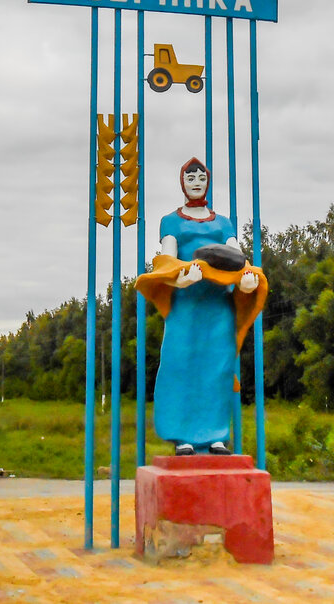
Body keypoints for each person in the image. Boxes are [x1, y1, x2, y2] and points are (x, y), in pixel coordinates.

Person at [134, 158, 268, 455]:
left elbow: (236, 254)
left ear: (208, 181)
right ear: (182, 182)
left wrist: (247, 278)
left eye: (201, 177)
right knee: (180, 366)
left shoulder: (223, 222)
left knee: (217, 368)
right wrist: (179, 278)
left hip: (218, 306)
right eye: (190, 177)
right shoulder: (171, 221)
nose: (196, 182)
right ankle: (182, 435)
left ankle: (216, 435)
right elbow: (165, 259)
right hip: (186, 307)